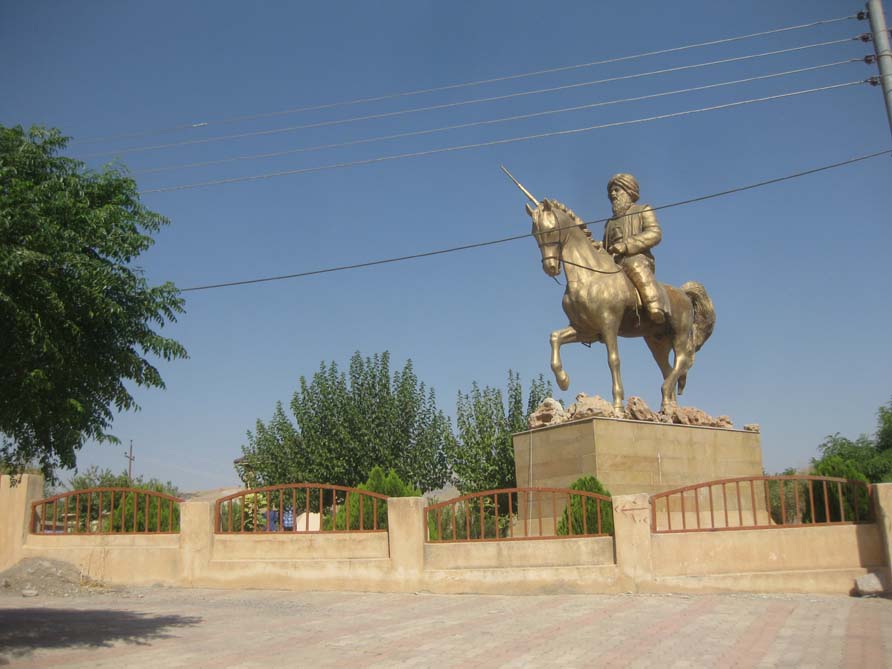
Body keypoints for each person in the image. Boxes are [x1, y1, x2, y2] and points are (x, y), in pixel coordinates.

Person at [601, 173, 668, 323]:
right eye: (611, 192)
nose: (613, 194)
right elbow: (605, 247)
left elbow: (655, 233)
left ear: (629, 191)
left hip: (637, 258)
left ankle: (654, 304)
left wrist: (626, 245)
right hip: (614, 263)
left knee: (634, 263)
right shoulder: (609, 223)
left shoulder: (643, 210)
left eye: (617, 190)